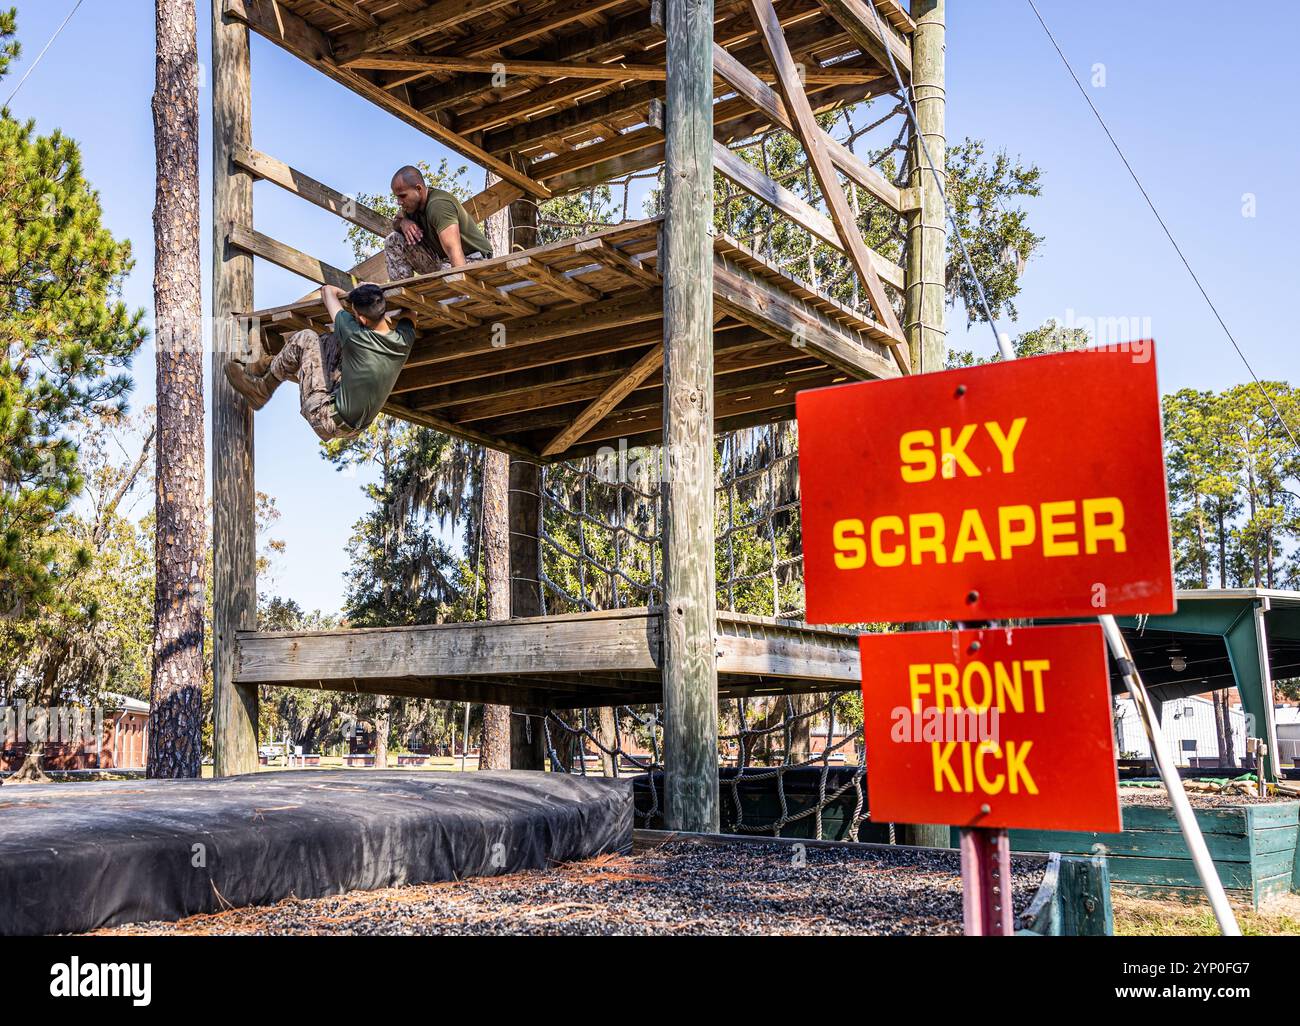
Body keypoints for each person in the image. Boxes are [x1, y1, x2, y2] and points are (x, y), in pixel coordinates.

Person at [223, 283, 415, 441]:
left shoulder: (355, 336)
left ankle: (261, 390)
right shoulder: (403, 341)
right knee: (329, 341)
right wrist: (370, 294)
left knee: (306, 338)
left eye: (355, 313)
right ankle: (267, 365)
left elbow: (327, 291)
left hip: (325, 416)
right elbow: (411, 314)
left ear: (362, 319)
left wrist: (354, 292)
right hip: (354, 424)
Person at [384, 164, 493, 280]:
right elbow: (396, 220)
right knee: (392, 240)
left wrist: (464, 290)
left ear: (419, 189)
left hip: (474, 259)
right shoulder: (411, 207)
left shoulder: (438, 205)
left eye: (403, 196)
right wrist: (403, 223)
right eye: (397, 197)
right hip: (441, 262)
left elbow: (453, 250)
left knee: (445, 272)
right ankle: (403, 291)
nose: (399, 202)